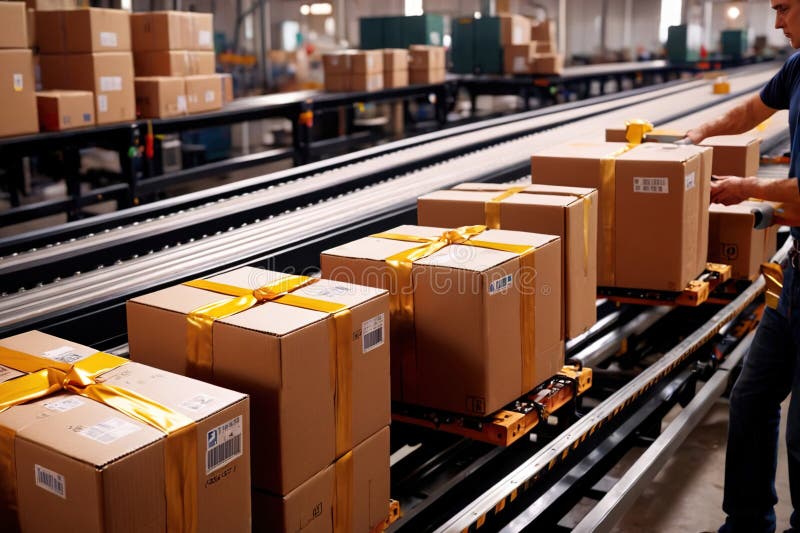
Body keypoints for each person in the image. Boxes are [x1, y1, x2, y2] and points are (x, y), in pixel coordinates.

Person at [684, 2, 800, 531]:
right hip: (798, 271)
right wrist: (698, 135)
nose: (777, 23)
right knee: (752, 400)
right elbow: (751, 111)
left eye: (785, 8)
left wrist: (746, 189)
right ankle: (748, 522)